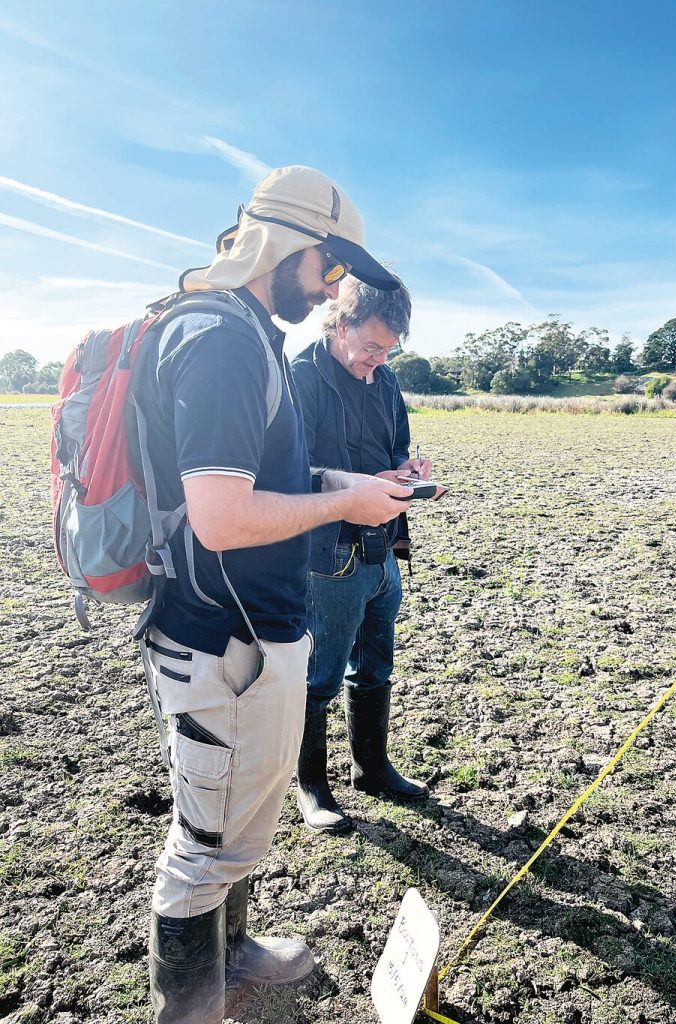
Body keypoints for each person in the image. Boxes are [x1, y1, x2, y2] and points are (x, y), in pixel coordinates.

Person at [136, 166, 414, 1023]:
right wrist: (342, 505)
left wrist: (352, 485)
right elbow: (221, 518)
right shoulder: (221, 341)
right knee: (204, 847)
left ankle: (232, 954)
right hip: (223, 640)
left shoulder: (248, 334)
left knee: (239, 822)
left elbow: (270, 479)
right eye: (331, 267)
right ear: (289, 244)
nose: (332, 286)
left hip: (254, 634)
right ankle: (190, 1007)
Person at [291, 274, 432, 834]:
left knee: (375, 668)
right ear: (340, 323)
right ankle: (311, 786)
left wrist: (407, 472)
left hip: (383, 548)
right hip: (328, 555)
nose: (378, 361)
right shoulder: (300, 378)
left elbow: (394, 449)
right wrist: (352, 486)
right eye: (371, 346)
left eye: (388, 351)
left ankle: (371, 769)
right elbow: (285, 472)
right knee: (318, 678)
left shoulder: (387, 381)